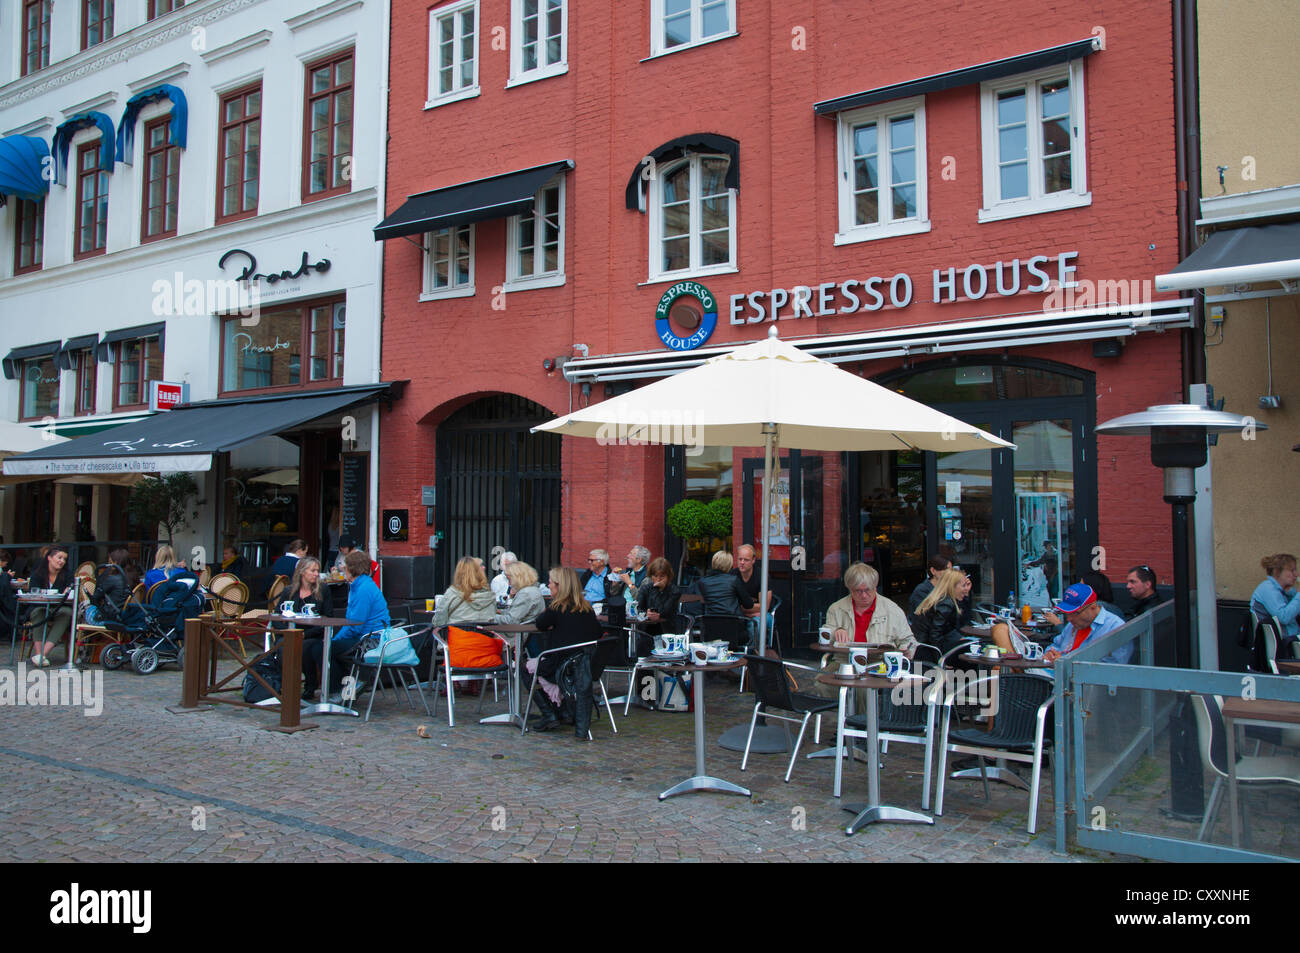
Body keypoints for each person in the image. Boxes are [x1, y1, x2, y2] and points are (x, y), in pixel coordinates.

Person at [527, 566, 604, 733]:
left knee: (523, 669)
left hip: (562, 667)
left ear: (559, 586)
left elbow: (540, 624)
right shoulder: (587, 609)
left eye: (550, 583)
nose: (548, 586)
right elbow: (598, 632)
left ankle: (550, 714)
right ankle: (563, 711)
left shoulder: (556, 608)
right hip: (585, 666)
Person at [305, 549, 389, 702]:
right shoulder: (360, 585)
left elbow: (354, 625)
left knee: (321, 648)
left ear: (352, 569)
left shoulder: (363, 589)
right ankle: (347, 687)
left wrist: (334, 641)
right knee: (325, 647)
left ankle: (338, 690)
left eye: (345, 567)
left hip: (371, 640)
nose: (343, 569)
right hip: (368, 637)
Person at [824, 562, 915, 652]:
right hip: (844, 661)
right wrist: (835, 631)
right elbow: (824, 637)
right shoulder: (836, 609)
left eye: (868, 590)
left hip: (881, 662)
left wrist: (905, 652)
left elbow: (909, 642)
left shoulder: (892, 610)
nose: (864, 595)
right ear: (850, 589)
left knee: (917, 666)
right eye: (858, 591)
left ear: (875, 587)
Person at [278, 557, 335, 700]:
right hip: (290, 633)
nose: (316, 574)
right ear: (303, 572)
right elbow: (277, 615)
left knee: (305, 647)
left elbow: (328, 617)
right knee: (280, 648)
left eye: (317, 570)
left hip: (313, 634)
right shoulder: (289, 591)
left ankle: (310, 685)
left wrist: (304, 634)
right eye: (313, 570)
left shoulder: (323, 590)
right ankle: (282, 685)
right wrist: (286, 632)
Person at [1042, 583, 1132, 666]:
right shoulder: (1074, 624)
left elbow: (1114, 668)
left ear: (1093, 606)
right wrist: (1050, 653)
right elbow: (1056, 645)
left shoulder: (1114, 627)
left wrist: (1066, 663)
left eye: (1076, 613)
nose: (1069, 618)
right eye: (1067, 613)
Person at [26, 544, 75, 667]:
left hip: (60, 607)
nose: (61, 561)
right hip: (40, 605)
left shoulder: (67, 575)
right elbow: (33, 592)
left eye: (64, 559)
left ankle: (41, 655)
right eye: (59, 558)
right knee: (38, 612)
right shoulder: (37, 574)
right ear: (49, 558)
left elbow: (70, 593)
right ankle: (40, 655)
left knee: (66, 613)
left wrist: (68, 592)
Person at [911, 568, 971, 656]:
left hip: (923, 648)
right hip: (928, 652)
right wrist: (941, 660)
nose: (966, 589)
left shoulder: (942, 600)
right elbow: (935, 635)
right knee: (969, 651)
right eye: (964, 585)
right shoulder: (945, 604)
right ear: (952, 586)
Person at [434, 556, 498, 627]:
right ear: (480, 572)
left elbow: (438, 622)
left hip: (458, 636)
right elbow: (493, 619)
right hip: (485, 637)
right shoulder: (490, 595)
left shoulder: (452, 593)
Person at [1252, 553, 1300, 641]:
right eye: (1292, 570)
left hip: (1291, 638)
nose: (1296, 574)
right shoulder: (1267, 589)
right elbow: (1284, 617)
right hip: (1281, 642)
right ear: (1277, 572)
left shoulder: (1285, 590)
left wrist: (1293, 594)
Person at [695, 550, 755, 617]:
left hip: (710, 623)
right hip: (733, 623)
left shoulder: (703, 581)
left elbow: (698, 605)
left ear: (713, 562)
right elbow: (749, 605)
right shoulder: (734, 580)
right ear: (729, 565)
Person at [86, 546, 132, 625]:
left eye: (111, 563)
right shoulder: (134, 578)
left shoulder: (112, 579)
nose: (108, 566)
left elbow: (94, 600)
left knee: (85, 608)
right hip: (128, 618)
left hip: (111, 619)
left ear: (116, 563)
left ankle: (86, 636)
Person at [495, 560, 545, 625]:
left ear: (517, 578)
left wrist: (489, 618)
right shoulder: (533, 590)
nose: (509, 583)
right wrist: (500, 612)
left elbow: (511, 620)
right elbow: (516, 613)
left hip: (517, 632)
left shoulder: (526, 593)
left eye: (509, 579)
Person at [909, 554, 954, 620]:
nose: (950, 573)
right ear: (933, 570)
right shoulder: (921, 591)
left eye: (951, 570)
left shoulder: (950, 587)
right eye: (946, 569)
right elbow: (924, 618)